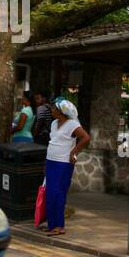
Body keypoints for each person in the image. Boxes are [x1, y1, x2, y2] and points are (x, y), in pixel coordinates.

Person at [40, 98, 90, 235]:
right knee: (50, 193)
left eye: (54, 108)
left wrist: (74, 151)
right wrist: (46, 163)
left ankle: (59, 226)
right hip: (51, 161)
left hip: (63, 163)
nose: (52, 110)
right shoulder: (54, 123)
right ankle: (51, 225)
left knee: (58, 193)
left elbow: (86, 137)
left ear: (62, 111)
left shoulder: (72, 124)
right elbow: (53, 142)